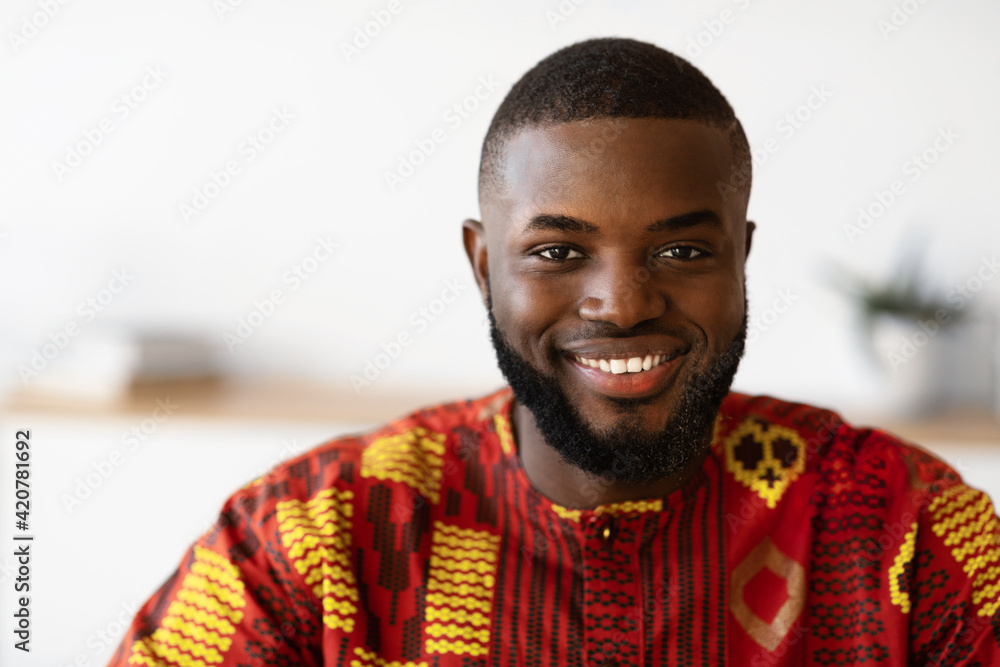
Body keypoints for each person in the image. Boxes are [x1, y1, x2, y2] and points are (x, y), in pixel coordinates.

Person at [108, 38, 1000, 667]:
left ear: (741, 258)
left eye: (683, 251)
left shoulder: (907, 534)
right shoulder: (310, 546)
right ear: (483, 264)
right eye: (559, 252)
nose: (622, 302)